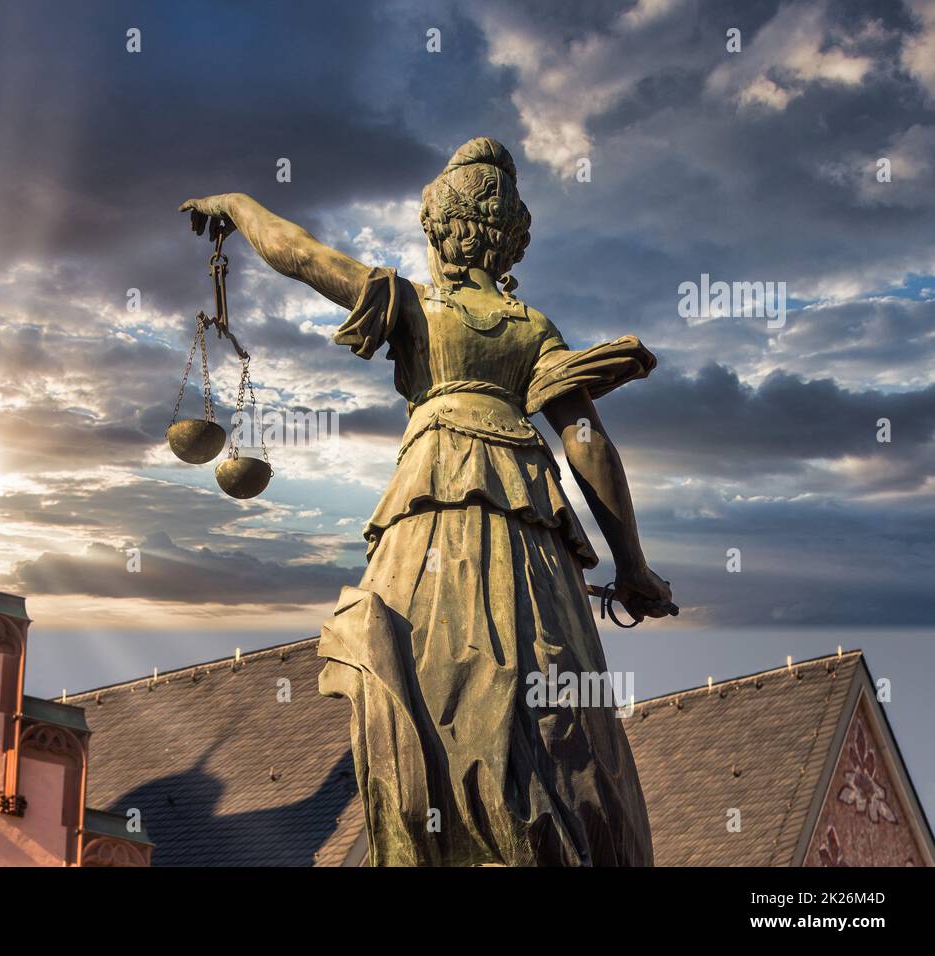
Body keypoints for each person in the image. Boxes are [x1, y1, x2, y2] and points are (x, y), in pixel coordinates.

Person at [181, 136, 672, 866]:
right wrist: (633, 566)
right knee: (545, 696)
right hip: (529, 523)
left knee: (430, 680)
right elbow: (587, 443)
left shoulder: (414, 306)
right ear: (509, 243)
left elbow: (303, 255)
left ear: (440, 228)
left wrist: (236, 205)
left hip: (431, 507)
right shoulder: (532, 330)